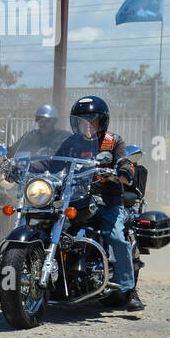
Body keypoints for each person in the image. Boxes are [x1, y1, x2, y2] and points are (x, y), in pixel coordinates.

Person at [54, 96, 143, 312]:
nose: (86, 124)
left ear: (102, 121)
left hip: (107, 202)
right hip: (75, 199)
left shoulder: (113, 142)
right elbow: (53, 162)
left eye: (91, 120)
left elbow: (124, 161)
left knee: (115, 237)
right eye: (81, 120)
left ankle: (129, 290)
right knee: (51, 225)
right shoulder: (71, 142)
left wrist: (123, 170)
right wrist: (20, 168)